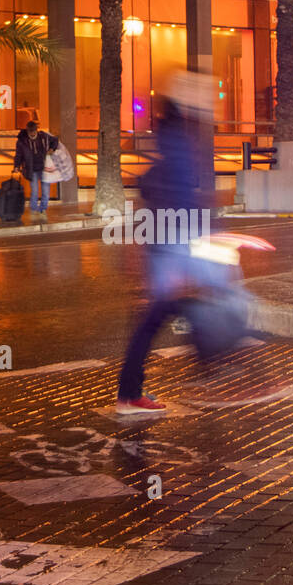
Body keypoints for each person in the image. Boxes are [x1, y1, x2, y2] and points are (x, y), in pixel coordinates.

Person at [116, 75, 216, 414]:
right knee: (170, 309)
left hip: (167, 237)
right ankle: (211, 365)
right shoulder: (179, 138)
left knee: (165, 310)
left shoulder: (173, 135)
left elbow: (155, 182)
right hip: (172, 239)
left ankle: (132, 390)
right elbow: (176, 189)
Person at [12, 120, 59, 219]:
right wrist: (16, 166)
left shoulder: (43, 136)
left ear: (37, 130)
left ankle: (42, 210)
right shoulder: (22, 141)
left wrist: (52, 149)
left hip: (44, 168)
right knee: (35, 191)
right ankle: (33, 210)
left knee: (46, 190)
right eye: (31, 132)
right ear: (28, 131)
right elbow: (18, 155)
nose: (33, 134)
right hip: (31, 169)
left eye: (34, 131)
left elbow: (55, 140)